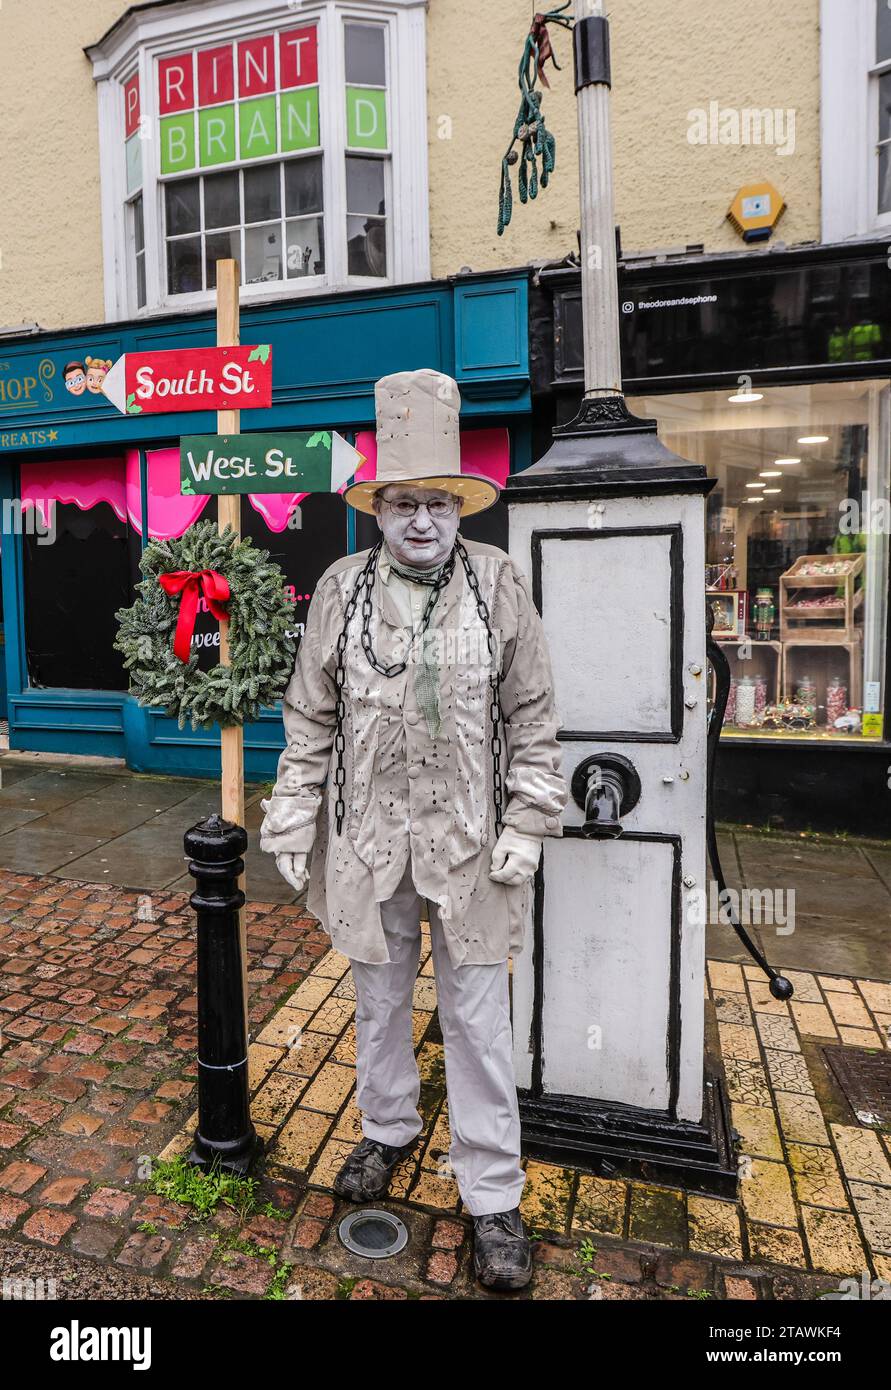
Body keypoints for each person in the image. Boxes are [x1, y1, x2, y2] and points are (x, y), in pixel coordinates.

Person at [260, 367, 567, 1290]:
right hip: (369, 843)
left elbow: (534, 715)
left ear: (459, 508)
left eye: (438, 503)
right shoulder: (341, 587)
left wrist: (529, 819)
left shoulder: (497, 581)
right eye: (404, 504)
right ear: (379, 512)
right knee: (378, 1001)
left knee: (476, 1018)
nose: (422, 521)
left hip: (468, 846)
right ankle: (387, 1130)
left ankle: (492, 1193)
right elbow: (310, 714)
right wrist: (292, 810)